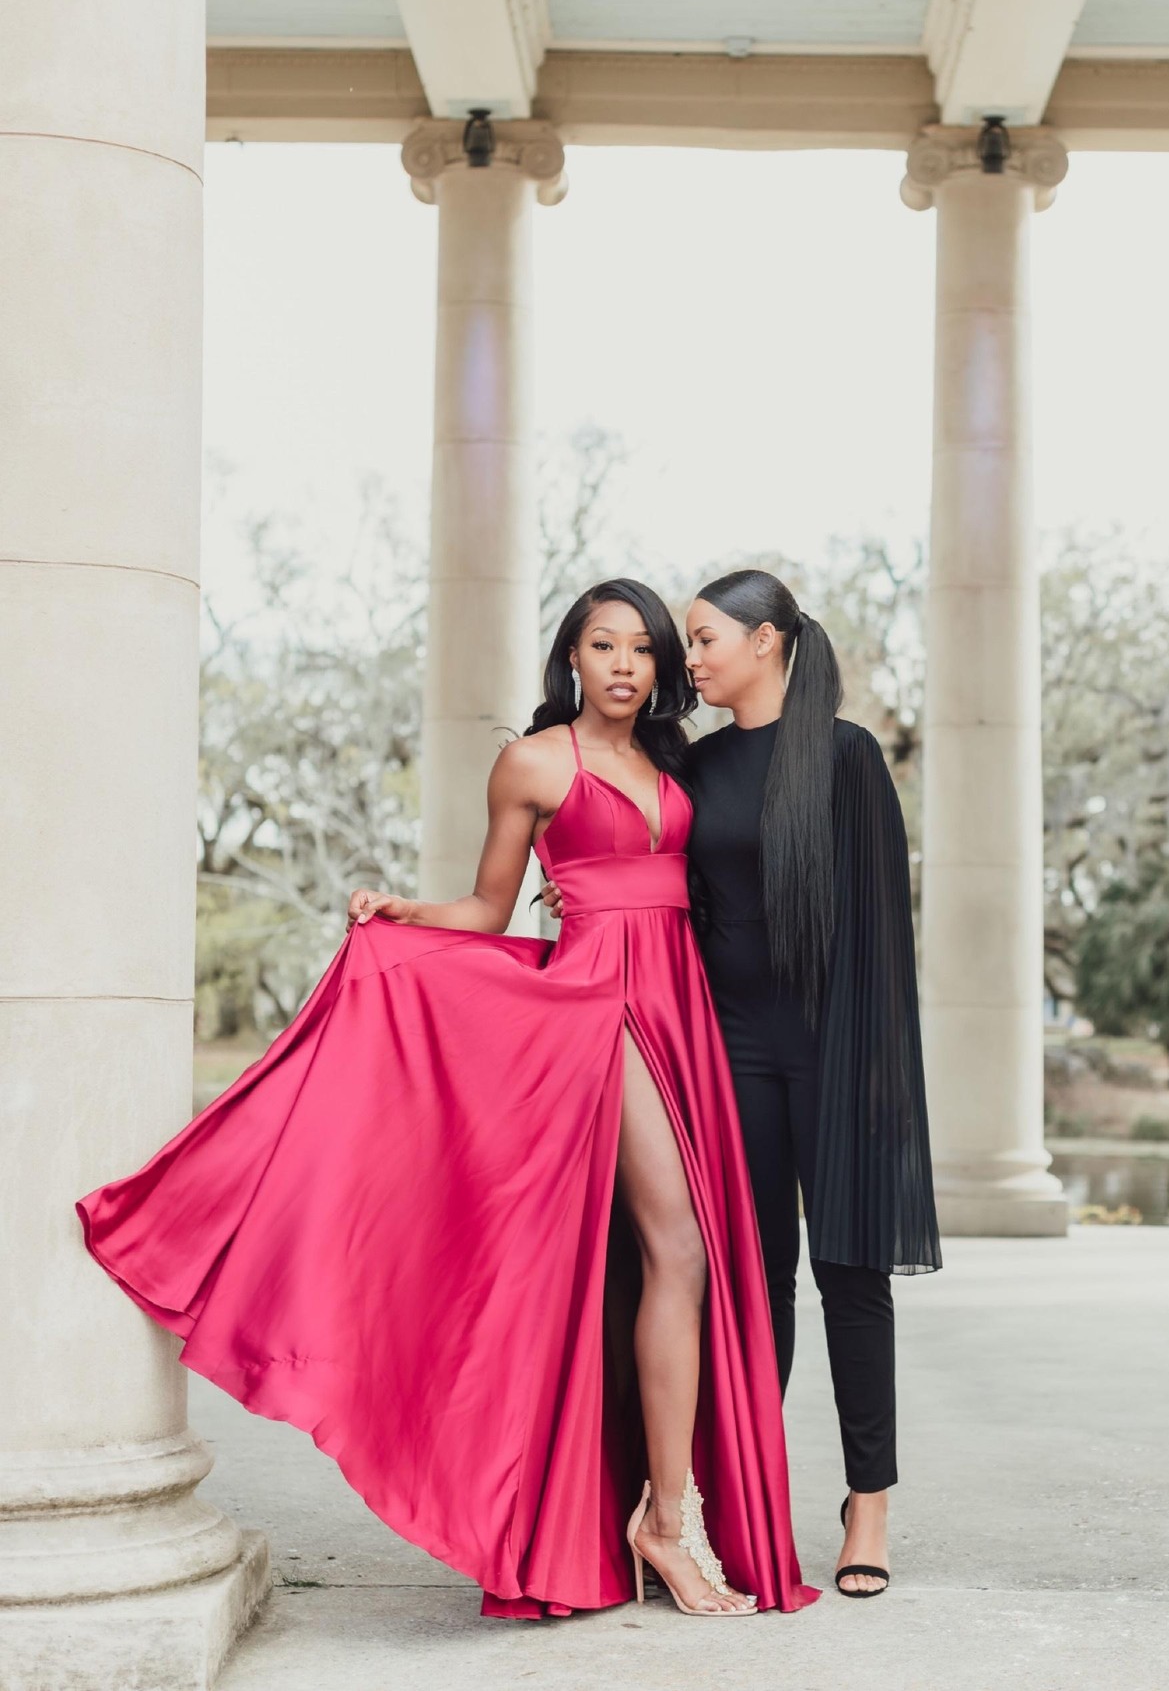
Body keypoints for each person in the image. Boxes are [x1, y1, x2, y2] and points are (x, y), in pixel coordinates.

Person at [77, 579, 818, 1621]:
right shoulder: (533, 759)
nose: (622, 664)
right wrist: (401, 912)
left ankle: (647, 1505)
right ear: (571, 655)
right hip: (601, 1006)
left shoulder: (672, 761)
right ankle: (665, 1518)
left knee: (671, 1260)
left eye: (642, 649)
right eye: (602, 644)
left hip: (683, 996)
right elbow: (487, 900)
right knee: (680, 1247)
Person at [549, 569, 941, 1599]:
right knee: (752, 1282)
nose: (691, 657)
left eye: (706, 637)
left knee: (849, 1278)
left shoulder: (848, 759)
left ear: (767, 641)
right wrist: (582, 879)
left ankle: (869, 1505)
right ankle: (743, 1497)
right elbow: (649, 861)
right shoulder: (693, 763)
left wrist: (881, 1080)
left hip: (836, 1049)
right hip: (727, 1051)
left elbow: (881, 938)